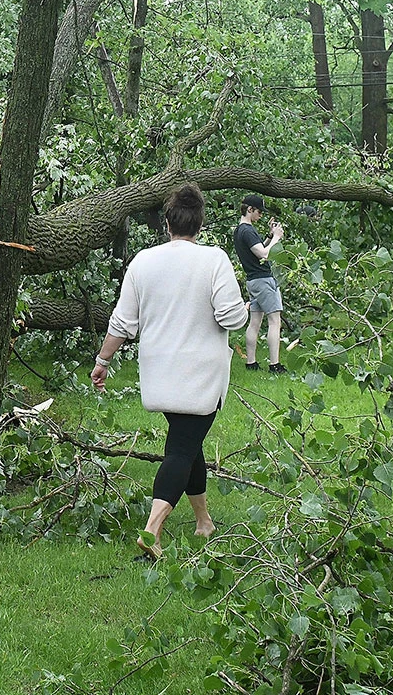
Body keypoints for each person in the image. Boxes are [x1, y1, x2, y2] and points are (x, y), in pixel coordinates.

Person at [91, 184, 249, 561]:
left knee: (186, 442)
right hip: (201, 376)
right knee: (181, 448)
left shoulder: (143, 261)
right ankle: (152, 530)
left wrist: (103, 361)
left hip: (159, 374)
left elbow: (123, 321)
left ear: (167, 223)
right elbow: (231, 317)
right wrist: (242, 308)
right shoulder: (214, 260)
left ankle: (203, 521)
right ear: (200, 223)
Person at [234, 194, 286, 373]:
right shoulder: (248, 231)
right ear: (249, 209)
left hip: (252, 281)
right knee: (274, 321)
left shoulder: (240, 230)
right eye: (259, 212)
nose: (261, 216)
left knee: (255, 321)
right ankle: (275, 365)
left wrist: (270, 237)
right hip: (263, 280)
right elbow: (264, 254)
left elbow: (259, 248)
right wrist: (278, 238)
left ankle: (251, 362)